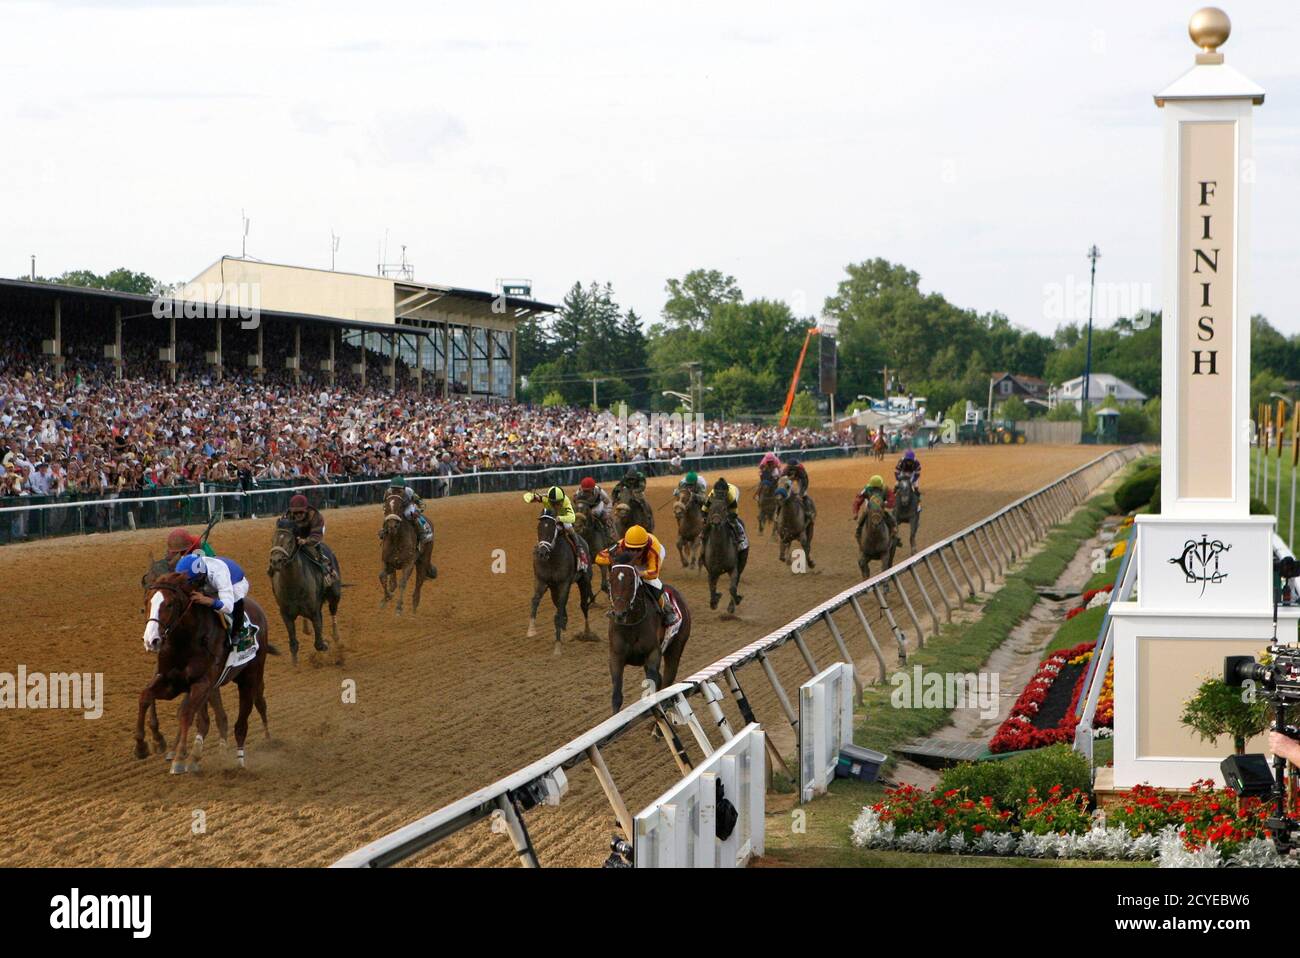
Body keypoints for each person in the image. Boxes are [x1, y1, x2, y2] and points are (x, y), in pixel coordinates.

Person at [594, 524, 678, 628]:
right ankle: (616, 607)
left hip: (649, 561)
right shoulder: (620, 545)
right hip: (632, 563)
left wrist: (640, 573)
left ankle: (668, 609)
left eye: (638, 550)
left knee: (653, 582)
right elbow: (598, 557)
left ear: (644, 546)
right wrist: (613, 559)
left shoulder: (653, 549)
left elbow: (654, 572)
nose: (634, 552)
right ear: (626, 545)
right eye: (631, 549)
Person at [176, 553, 253, 651]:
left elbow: (228, 607)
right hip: (209, 581)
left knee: (234, 600)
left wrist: (209, 601)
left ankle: (237, 631)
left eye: (191, 582)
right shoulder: (197, 569)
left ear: (200, 577)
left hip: (235, 584)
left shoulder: (220, 575)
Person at [284, 493, 337, 587]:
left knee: (314, 548)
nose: (298, 515)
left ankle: (328, 571)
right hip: (298, 533)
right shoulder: (287, 516)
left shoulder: (315, 516)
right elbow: (284, 532)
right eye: (295, 513)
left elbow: (316, 535)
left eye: (301, 512)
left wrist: (306, 541)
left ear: (306, 510)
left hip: (314, 531)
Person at [523, 485, 585, 563]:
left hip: (563, 517)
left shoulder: (566, 502)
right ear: (550, 501)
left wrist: (560, 518)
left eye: (559, 502)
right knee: (544, 527)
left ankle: (579, 548)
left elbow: (572, 518)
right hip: (550, 516)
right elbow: (526, 497)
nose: (557, 505)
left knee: (569, 527)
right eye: (554, 503)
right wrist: (532, 497)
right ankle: (540, 546)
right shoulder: (546, 499)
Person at [853, 474, 898, 543]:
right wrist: (855, 512)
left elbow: (892, 501)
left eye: (876, 488)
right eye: (874, 488)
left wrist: (885, 504)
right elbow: (858, 500)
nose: (875, 490)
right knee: (865, 514)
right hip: (870, 509)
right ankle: (858, 530)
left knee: (887, 514)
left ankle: (893, 528)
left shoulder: (886, 489)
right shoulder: (867, 489)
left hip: (881, 509)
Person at [387, 476, 433, 544]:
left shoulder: (409, 492)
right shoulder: (388, 492)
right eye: (394, 489)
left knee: (408, 514)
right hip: (395, 508)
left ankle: (423, 532)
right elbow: (385, 505)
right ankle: (384, 531)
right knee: (389, 516)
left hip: (406, 507)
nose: (396, 492)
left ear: (404, 488)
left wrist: (418, 511)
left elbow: (421, 503)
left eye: (399, 490)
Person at [709, 476, 749, 552]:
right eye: (718, 493)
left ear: (726, 492)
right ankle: (703, 534)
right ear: (715, 492)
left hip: (731, 502)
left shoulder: (731, 495)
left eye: (722, 494)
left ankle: (740, 535)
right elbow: (706, 507)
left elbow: (734, 511)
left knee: (735, 521)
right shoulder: (712, 495)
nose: (720, 495)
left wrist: (730, 516)